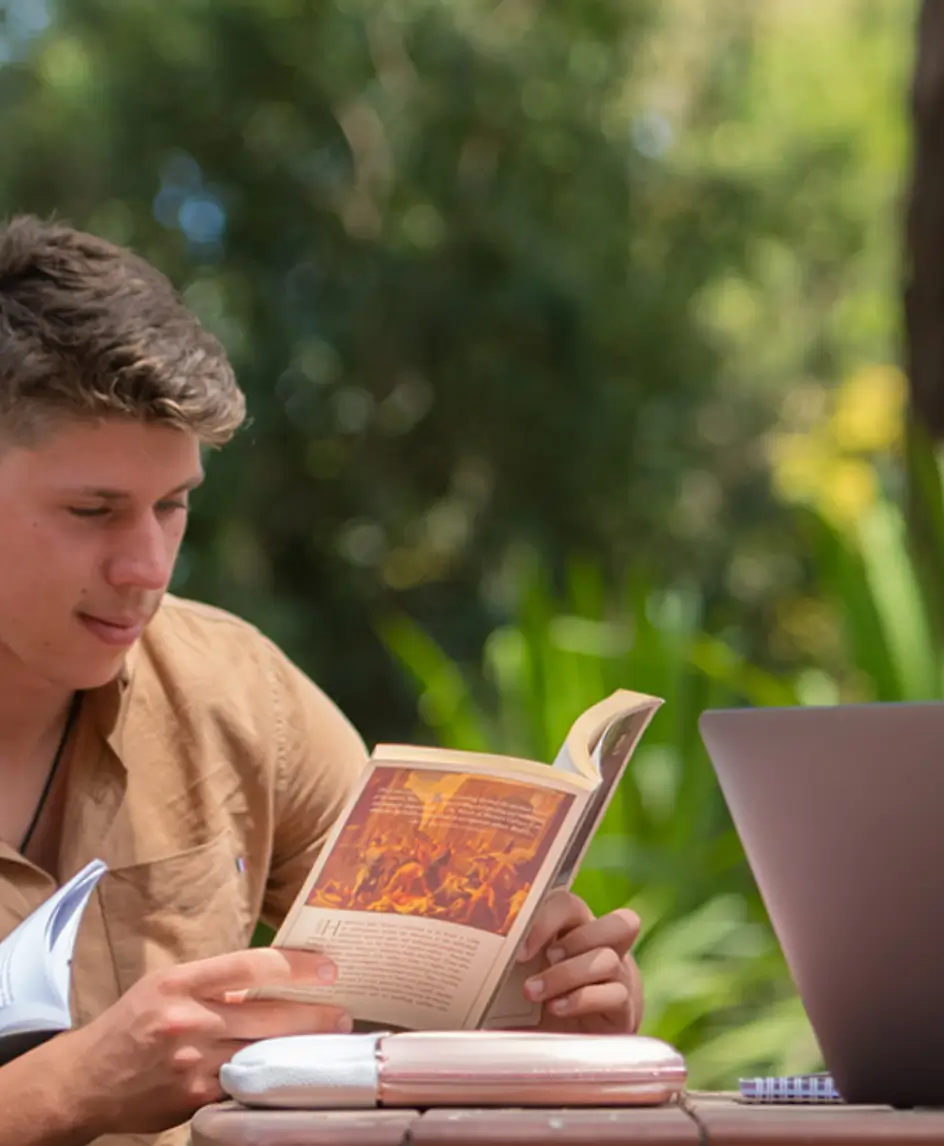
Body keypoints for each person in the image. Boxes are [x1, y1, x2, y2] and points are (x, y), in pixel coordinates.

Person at [0, 216, 648, 1146]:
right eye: (93, 510)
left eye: (174, 505)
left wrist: (536, 1027)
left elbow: (403, 1022)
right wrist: (64, 1093)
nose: (148, 566)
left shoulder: (235, 692)